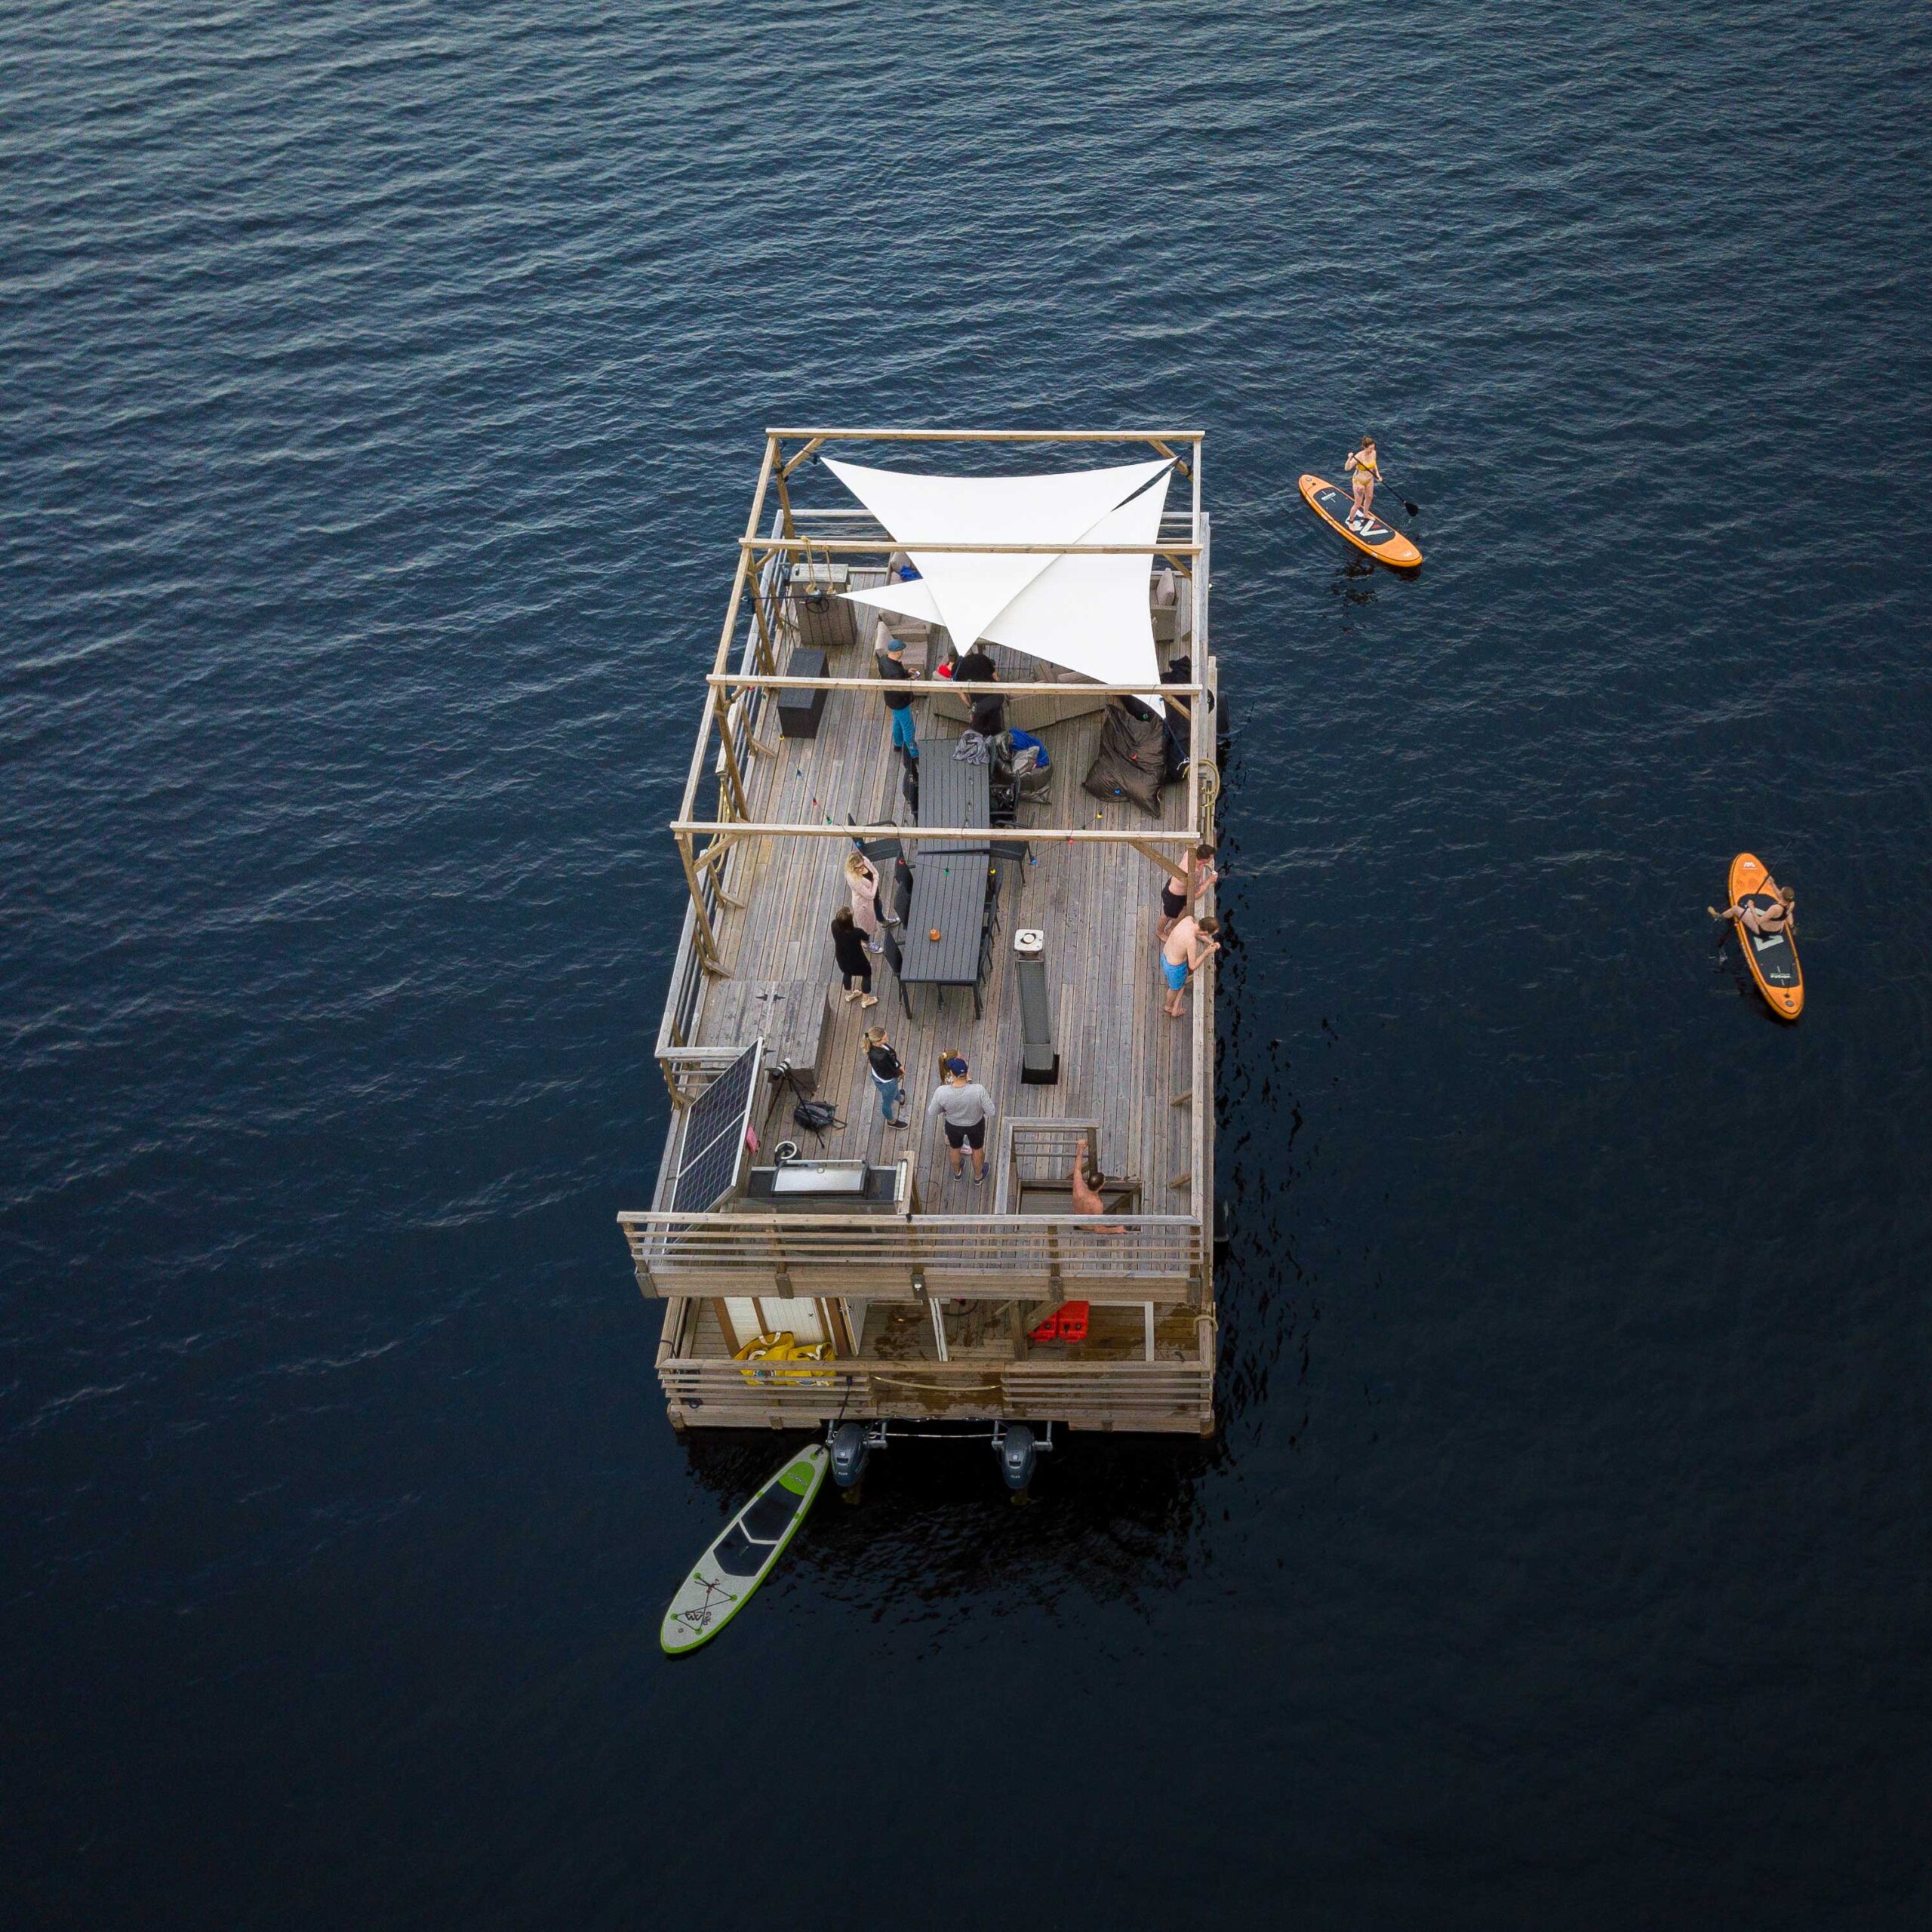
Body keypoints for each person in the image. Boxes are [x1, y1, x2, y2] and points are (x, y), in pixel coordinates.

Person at [924, 1053, 995, 1184]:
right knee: (977, 1149)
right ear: (967, 1073)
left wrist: (944, 1109)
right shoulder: (979, 1090)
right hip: (976, 1124)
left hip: (953, 1125)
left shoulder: (941, 1092)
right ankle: (978, 1177)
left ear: (952, 1073)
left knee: (955, 1148)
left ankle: (957, 1173)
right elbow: (991, 1112)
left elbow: (932, 1111)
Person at [1161, 912, 1220, 1019]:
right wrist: (1206, 952)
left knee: (1180, 982)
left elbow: (1196, 933)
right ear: (1206, 932)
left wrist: (1208, 941)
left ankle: (1173, 1004)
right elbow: (1193, 966)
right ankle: (1169, 1007)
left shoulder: (1188, 920)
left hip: (1165, 956)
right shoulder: (1191, 942)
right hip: (1175, 968)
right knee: (1174, 989)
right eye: (1211, 934)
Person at [1157, 843, 1220, 940]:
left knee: (1184, 911)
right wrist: (1208, 881)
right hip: (1174, 896)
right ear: (1204, 860)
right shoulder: (1192, 873)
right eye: (1210, 859)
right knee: (1167, 915)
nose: (1211, 860)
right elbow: (1195, 895)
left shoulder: (1192, 853)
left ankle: (1171, 928)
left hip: (1184, 891)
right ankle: (1159, 932)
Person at [1070, 1134, 1125, 1233]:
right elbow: (1098, 1229)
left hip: (1078, 1222)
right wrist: (1117, 1229)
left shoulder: (1079, 1187)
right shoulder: (1097, 1205)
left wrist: (1081, 1148)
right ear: (1100, 1187)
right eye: (1104, 1182)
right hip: (1088, 1229)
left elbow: (1077, 1169)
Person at [877, 635, 921, 761]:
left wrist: (907, 673)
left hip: (890, 700)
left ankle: (897, 744)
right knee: (908, 728)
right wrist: (911, 681)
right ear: (899, 652)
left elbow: (896, 677)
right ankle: (914, 753)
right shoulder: (895, 672)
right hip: (900, 703)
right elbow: (901, 689)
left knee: (897, 721)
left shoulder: (884, 660)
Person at [844, 849, 889, 953]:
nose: (861, 869)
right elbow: (870, 895)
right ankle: (866, 944)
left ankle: (884, 922)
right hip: (864, 905)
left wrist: (874, 882)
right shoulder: (853, 879)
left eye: (862, 866)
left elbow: (875, 872)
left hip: (875, 898)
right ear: (852, 867)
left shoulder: (865, 860)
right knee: (866, 927)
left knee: (879, 909)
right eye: (857, 868)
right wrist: (875, 881)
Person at [830, 905, 877, 1007]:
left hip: (841, 957)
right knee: (866, 974)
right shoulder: (857, 932)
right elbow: (866, 939)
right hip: (857, 960)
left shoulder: (834, 925)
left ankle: (849, 994)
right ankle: (866, 999)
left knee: (847, 973)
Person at [954, 645, 1004, 740]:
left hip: (980, 704)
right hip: (997, 697)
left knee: (978, 732)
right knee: (995, 726)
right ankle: (998, 744)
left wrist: (970, 706)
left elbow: (959, 691)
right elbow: (996, 678)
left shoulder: (957, 667)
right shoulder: (983, 657)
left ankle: (984, 748)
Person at [1710, 884, 1795, 937]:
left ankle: (1718, 917)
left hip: (1763, 931)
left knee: (1735, 909)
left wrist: (1752, 907)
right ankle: (1792, 927)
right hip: (1778, 931)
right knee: (1788, 913)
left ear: (1781, 894)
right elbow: (1780, 896)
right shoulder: (1791, 905)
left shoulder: (1775, 908)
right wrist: (1772, 884)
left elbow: (1759, 921)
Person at [864, 1025, 907, 1126]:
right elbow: (890, 1071)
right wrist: (900, 1072)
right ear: (876, 1042)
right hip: (887, 1082)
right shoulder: (881, 1057)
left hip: (882, 1076)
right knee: (887, 1103)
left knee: (893, 1092)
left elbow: (891, 1058)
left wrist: (899, 1065)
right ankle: (891, 1121)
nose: (887, 1039)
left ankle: (900, 1098)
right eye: (884, 1038)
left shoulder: (873, 1046)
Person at [1344, 435, 1383, 530]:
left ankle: (1365, 515)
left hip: (1369, 480)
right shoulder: (1359, 457)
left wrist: (1377, 475)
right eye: (1370, 449)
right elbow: (1347, 468)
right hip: (1359, 482)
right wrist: (1349, 458)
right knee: (1358, 503)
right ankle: (1351, 521)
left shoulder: (1374, 453)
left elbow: (1374, 465)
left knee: (1369, 498)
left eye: (1373, 448)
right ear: (1365, 447)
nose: (1372, 450)